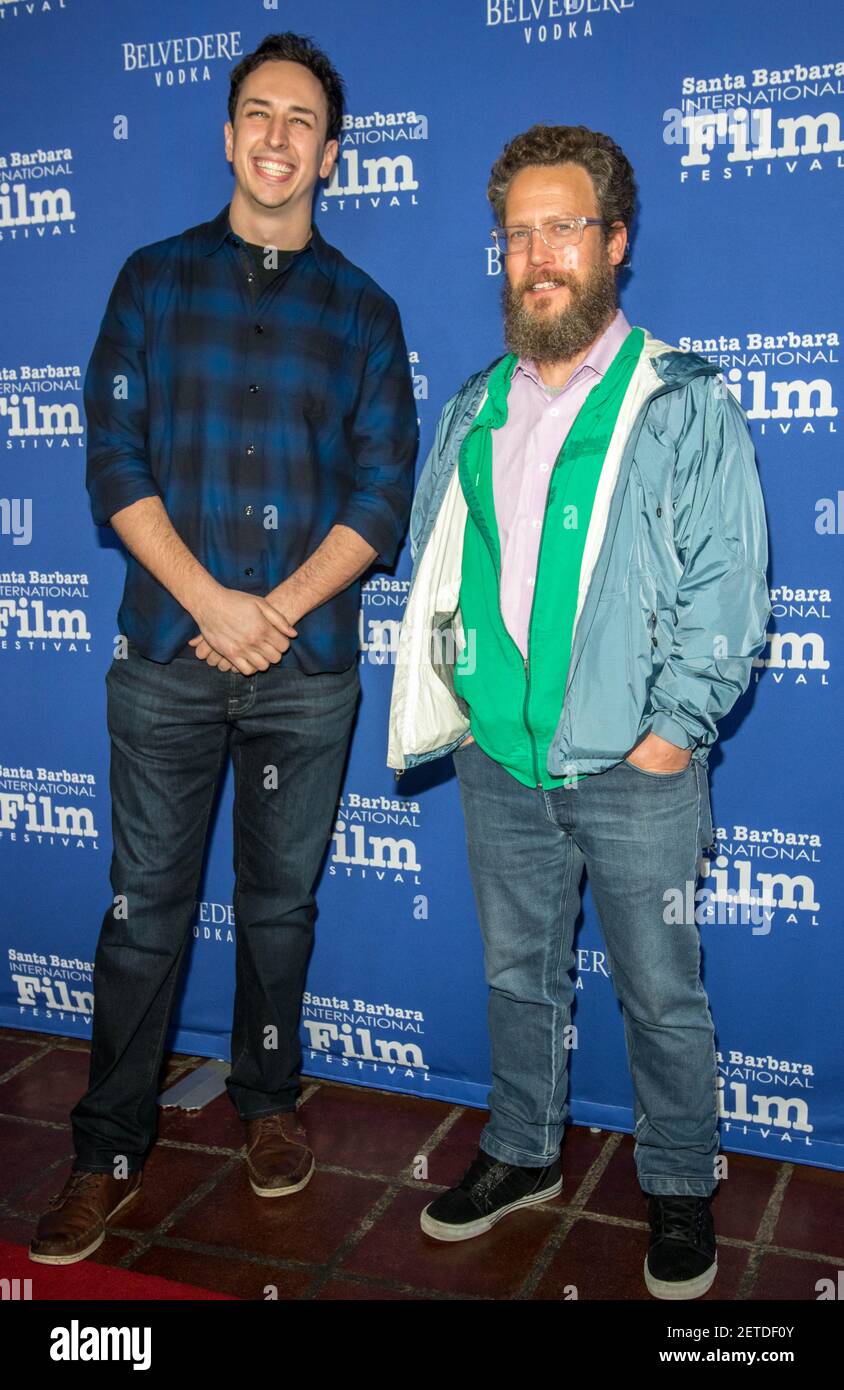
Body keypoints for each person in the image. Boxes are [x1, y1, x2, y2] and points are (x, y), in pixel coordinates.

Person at [30, 32, 418, 1266]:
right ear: (226, 133)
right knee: (145, 915)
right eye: (257, 113)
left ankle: (264, 1105)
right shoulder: (150, 281)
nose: (276, 137)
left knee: (279, 911)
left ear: (331, 155)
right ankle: (106, 1146)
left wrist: (275, 611)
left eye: (301, 121)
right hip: (165, 657)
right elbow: (111, 462)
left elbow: (383, 494)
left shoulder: (364, 313)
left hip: (303, 679)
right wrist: (212, 601)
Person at [387, 124, 770, 1300]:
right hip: (501, 758)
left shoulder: (679, 400)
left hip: (636, 765)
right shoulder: (476, 403)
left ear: (613, 242)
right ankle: (517, 1151)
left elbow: (728, 582)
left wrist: (674, 730)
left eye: (563, 228)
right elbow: (438, 568)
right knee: (517, 976)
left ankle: (674, 1182)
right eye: (517, 234)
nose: (538, 254)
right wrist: (460, 700)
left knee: (659, 984)